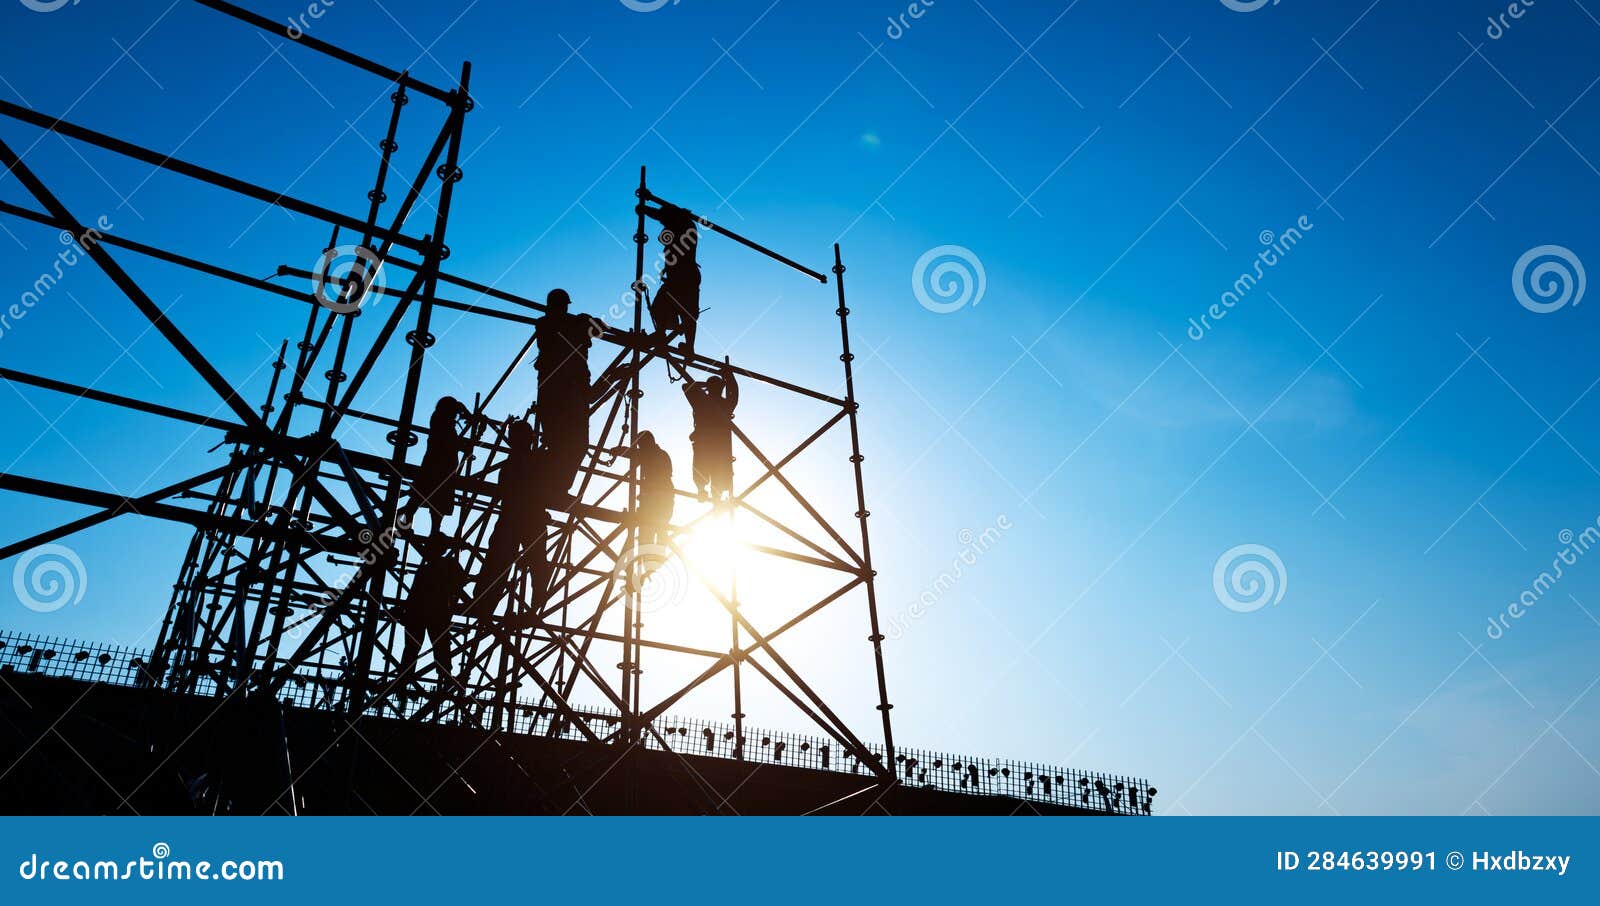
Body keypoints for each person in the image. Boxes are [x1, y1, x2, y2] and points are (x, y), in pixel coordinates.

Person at [476, 418, 552, 612]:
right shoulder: (532, 462)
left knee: (508, 560)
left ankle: (488, 602)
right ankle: (487, 602)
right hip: (521, 518)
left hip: (520, 519)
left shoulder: (529, 462)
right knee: (505, 559)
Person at [533, 288, 598, 497]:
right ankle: (552, 486)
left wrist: (586, 320)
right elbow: (549, 338)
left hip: (574, 390)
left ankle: (558, 487)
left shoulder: (574, 325)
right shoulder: (545, 324)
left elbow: (600, 329)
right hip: (556, 391)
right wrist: (578, 324)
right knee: (558, 443)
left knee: (577, 445)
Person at [398, 533, 465, 681]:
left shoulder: (427, 569)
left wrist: (404, 612)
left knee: (414, 647)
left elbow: (414, 593)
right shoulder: (447, 565)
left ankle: (406, 676)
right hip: (436, 612)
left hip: (420, 613)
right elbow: (460, 582)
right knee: (439, 645)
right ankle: (443, 674)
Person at [401, 396, 470, 528]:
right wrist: (464, 445)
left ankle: (415, 526)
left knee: (431, 499)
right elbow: (449, 442)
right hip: (436, 467)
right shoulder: (442, 420)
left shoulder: (443, 419)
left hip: (440, 467)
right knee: (426, 496)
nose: (456, 416)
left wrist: (467, 414)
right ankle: (411, 524)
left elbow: (452, 441)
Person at [682, 360, 738, 503]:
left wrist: (705, 386)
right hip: (718, 445)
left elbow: (687, 386)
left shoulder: (701, 401)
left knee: (703, 468)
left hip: (705, 444)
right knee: (717, 471)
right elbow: (734, 393)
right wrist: (729, 376)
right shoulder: (724, 404)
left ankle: (703, 491)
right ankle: (714, 496)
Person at [649, 203, 701, 357]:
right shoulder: (677, 225)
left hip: (685, 277)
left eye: (666, 222)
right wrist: (643, 207)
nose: (664, 225)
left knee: (686, 312)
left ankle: (687, 346)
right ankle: (663, 335)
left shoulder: (685, 227)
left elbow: (664, 216)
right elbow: (660, 215)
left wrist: (644, 208)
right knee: (662, 306)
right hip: (677, 278)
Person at [630, 431, 674, 550]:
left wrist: (620, 451)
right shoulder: (660, 454)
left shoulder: (653, 454)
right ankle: (653, 563)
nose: (640, 448)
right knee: (658, 533)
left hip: (656, 500)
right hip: (663, 499)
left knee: (649, 535)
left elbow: (635, 454)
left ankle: (651, 563)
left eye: (640, 445)